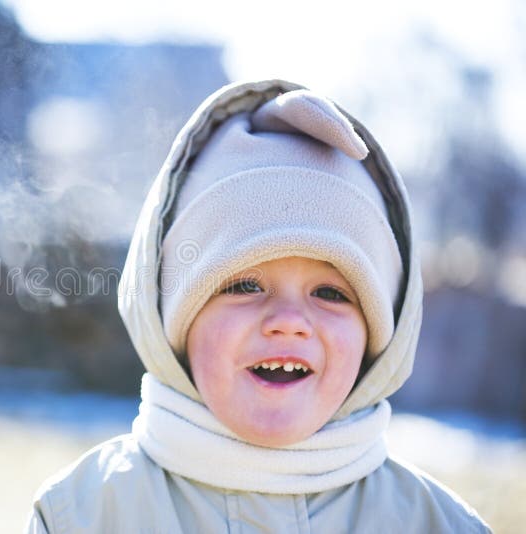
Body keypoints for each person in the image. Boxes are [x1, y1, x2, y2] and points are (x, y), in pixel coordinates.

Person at [25, 79, 491, 533]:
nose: (288, 323)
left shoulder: (435, 525)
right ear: (173, 317)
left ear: (379, 332)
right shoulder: (84, 516)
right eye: (244, 285)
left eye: (331, 293)